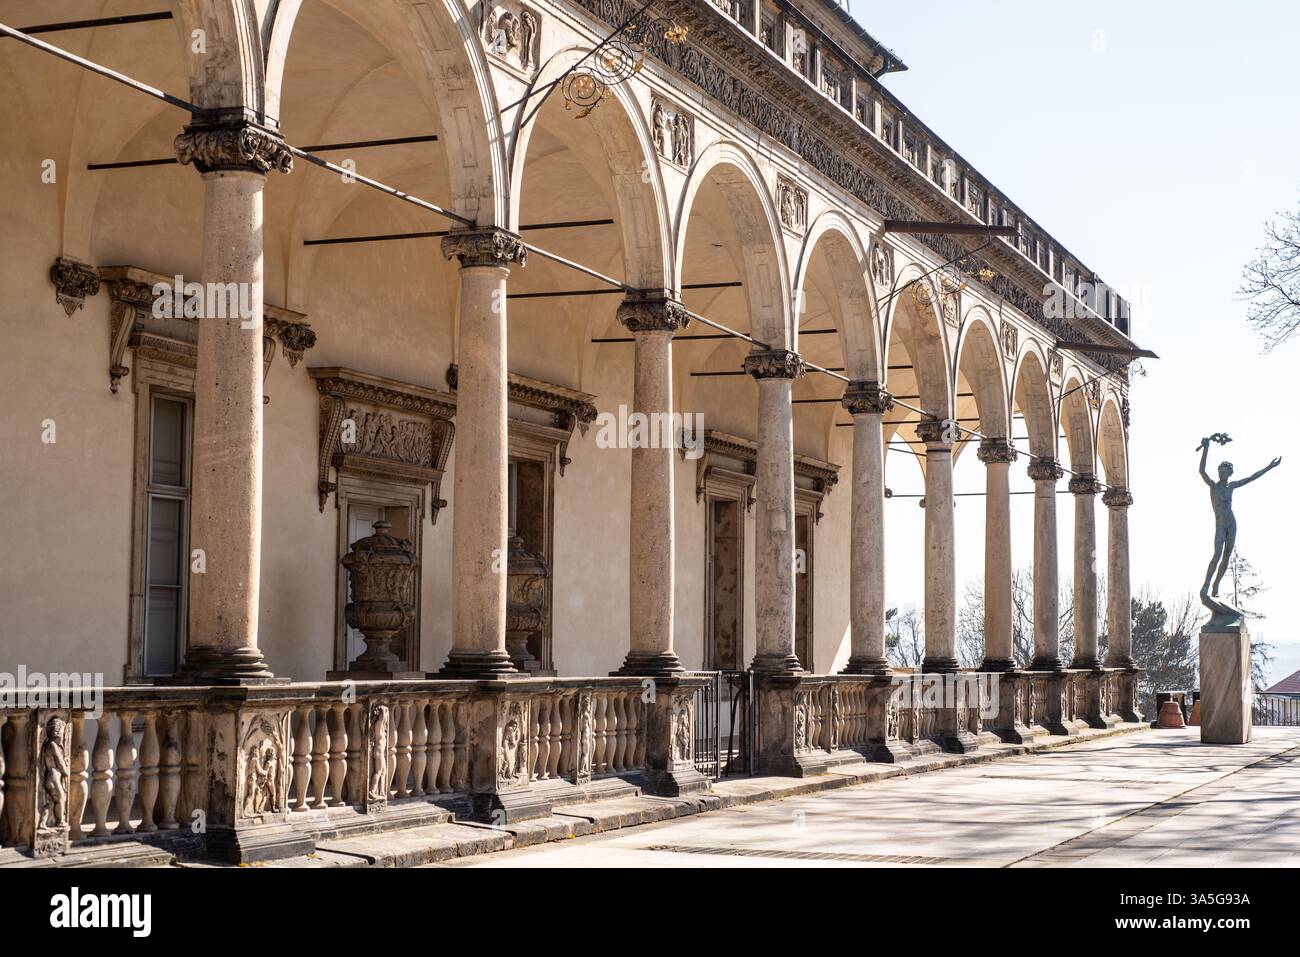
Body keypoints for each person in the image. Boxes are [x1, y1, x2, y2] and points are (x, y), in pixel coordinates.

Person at [1198, 436, 1281, 601]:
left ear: (1229, 474)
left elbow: (1251, 477)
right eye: (1220, 471)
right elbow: (1201, 471)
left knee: (1227, 556)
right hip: (1220, 525)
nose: (1222, 474)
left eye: (1225, 472)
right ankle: (1206, 585)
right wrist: (1206, 448)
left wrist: (1269, 467)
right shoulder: (1213, 485)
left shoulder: (1232, 486)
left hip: (1232, 524)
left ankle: (1216, 585)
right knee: (1217, 554)